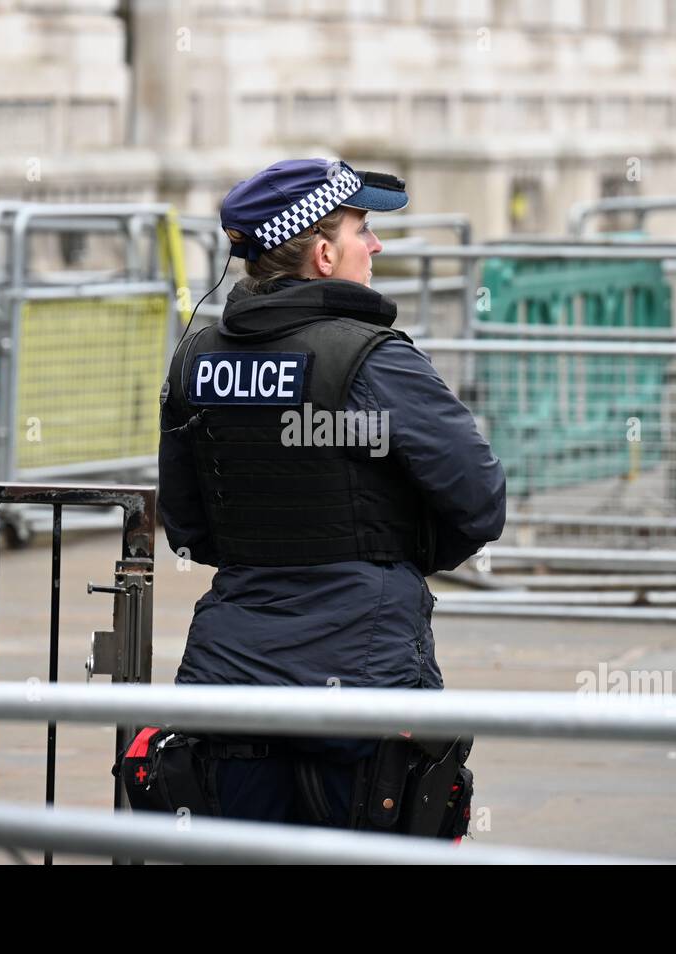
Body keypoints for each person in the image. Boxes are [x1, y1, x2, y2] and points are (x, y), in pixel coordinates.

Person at [122, 157, 506, 837]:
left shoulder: (196, 359)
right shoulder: (374, 359)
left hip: (232, 677)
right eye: (364, 229)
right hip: (366, 677)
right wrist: (396, 553)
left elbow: (188, 529)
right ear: (325, 255)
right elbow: (480, 499)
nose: (377, 245)